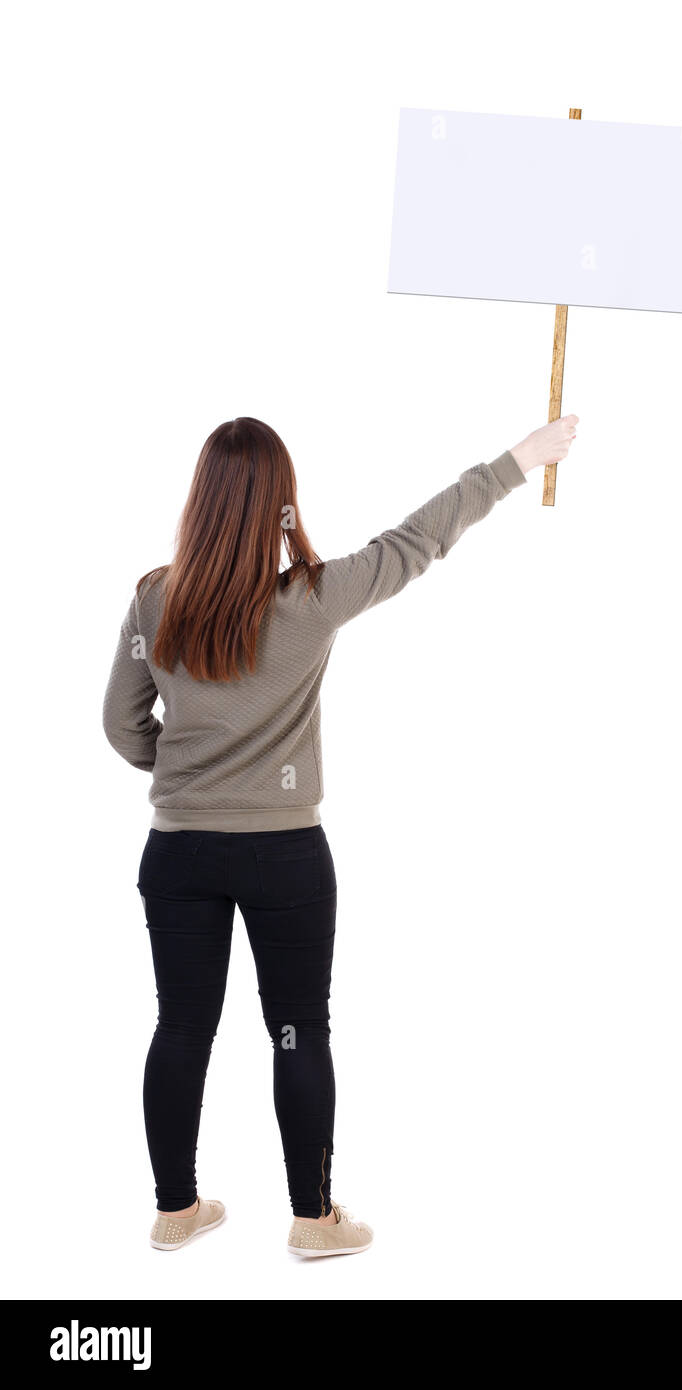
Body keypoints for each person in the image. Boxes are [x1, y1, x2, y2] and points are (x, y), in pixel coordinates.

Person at [102, 412, 578, 1256]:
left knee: (181, 1026)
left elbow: (122, 725)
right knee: (296, 1029)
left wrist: (187, 781)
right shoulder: (316, 598)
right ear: (280, 504)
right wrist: (519, 459)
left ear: (201, 501)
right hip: (285, 854)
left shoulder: (153, 595)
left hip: (177, 850)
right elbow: (420, 538)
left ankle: (176, 1211)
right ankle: (315, 1222)